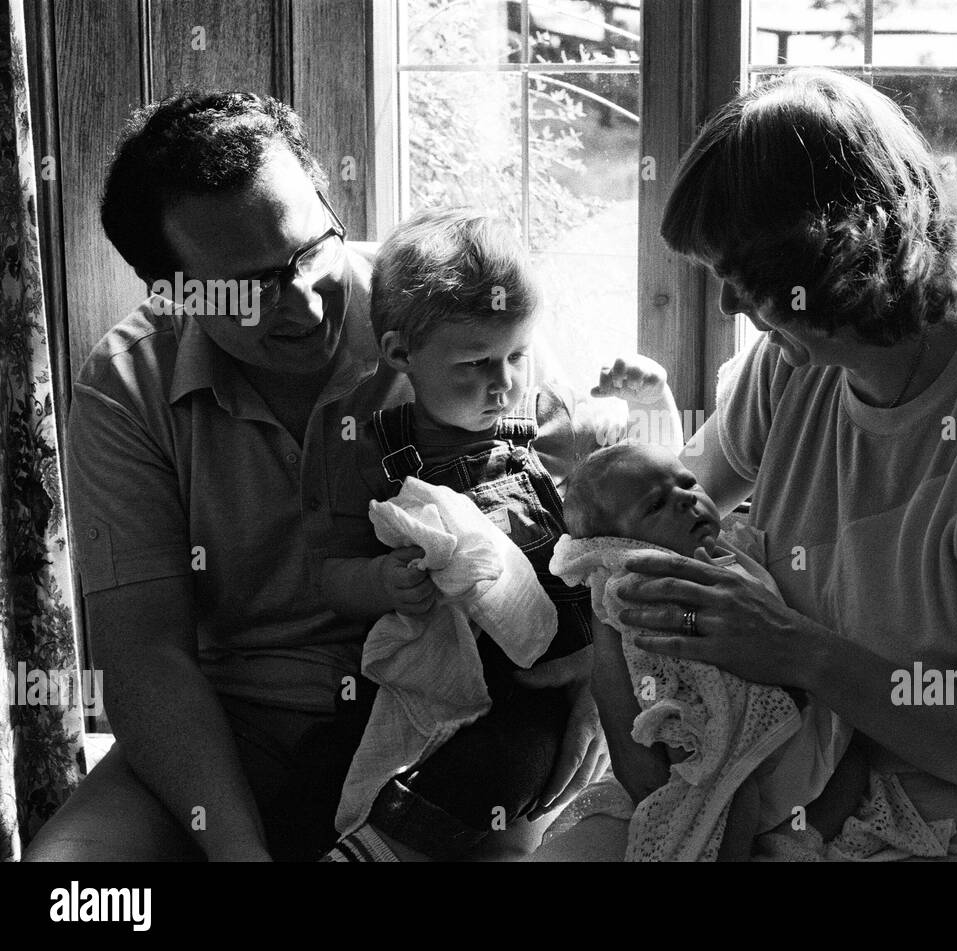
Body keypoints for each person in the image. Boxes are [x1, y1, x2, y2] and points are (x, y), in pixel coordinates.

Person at [535, 67, 957, 862]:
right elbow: (654, 525)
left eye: (740, 281)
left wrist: (803, 652)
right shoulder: (793, 367)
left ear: (826, 261)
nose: (727, 311)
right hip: (795, 791)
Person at [22, 91, 604, 862]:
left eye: (309, 251)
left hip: (461, 719)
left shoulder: (438, 309)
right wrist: (238, 850)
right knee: (72, 892)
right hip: (233, 730)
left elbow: (595, 529)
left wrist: (595, 686)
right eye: (251, 285)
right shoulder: (126, 385)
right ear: (173, 294)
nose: (301, 303)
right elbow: (145, 657)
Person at [310, 209, 681, 861]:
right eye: (477, 363)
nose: (503, 381)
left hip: (565, 670)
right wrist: (382, 582)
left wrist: (651, 405)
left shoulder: (547, 419)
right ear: (401, 353)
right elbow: (331, 570)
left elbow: (645, 489)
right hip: (461, 672)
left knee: (534, 759)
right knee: (363, 754)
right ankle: (381, 841)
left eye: (515, 354)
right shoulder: (367, 445)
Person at [550, 442, 877, 861]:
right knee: (728, 796)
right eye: (657, 505)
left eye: (688, 483)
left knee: (853, 769)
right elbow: (644, 650)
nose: (687, 498)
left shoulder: (734, 548)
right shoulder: (643, 580)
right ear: (619, 541)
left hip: (800, 734)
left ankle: (796, 842)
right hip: (711, 736)